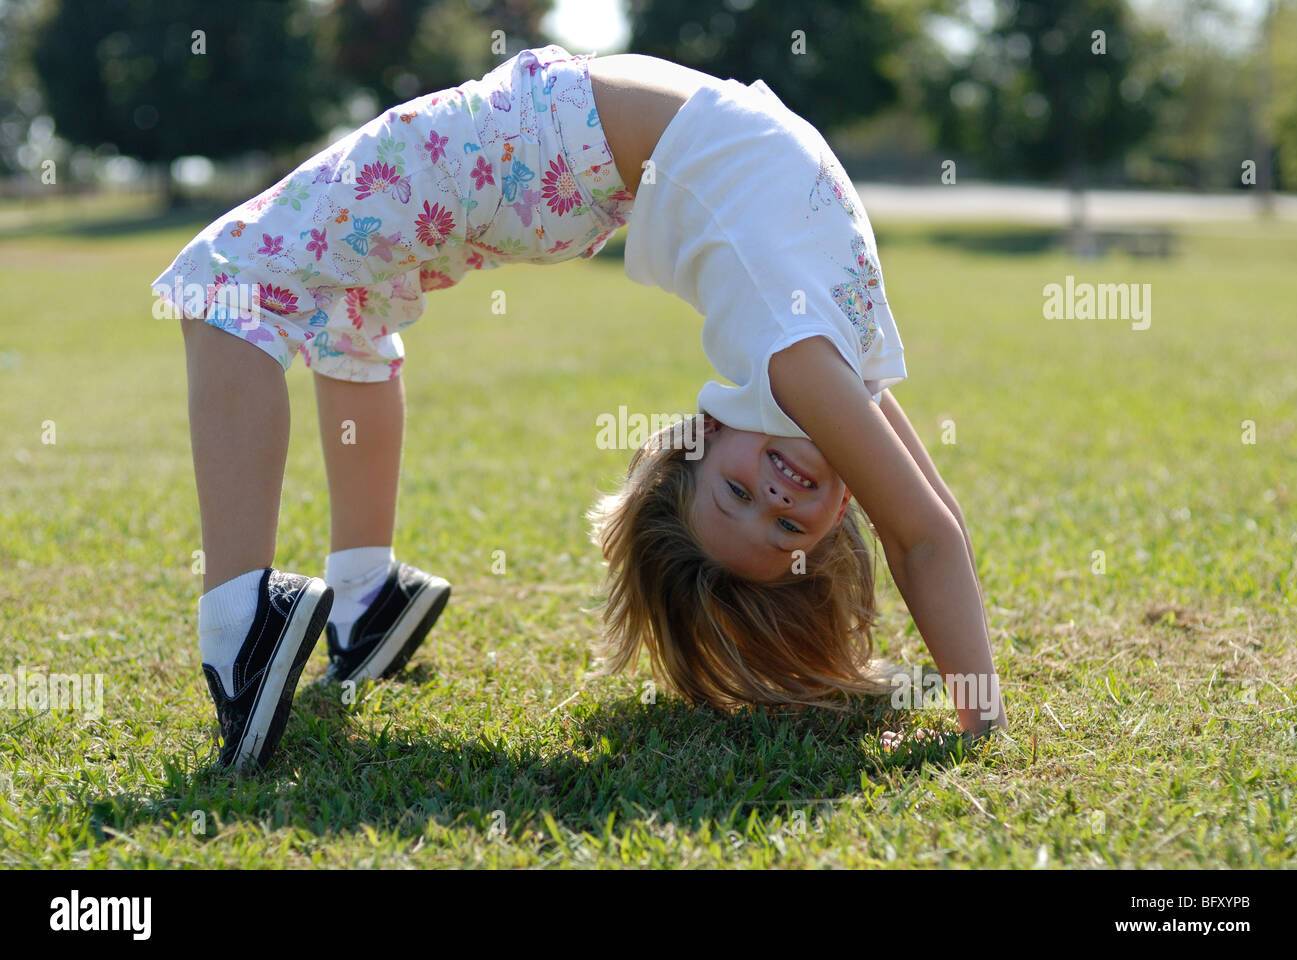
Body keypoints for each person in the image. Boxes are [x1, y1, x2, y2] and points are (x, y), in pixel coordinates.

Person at [151, 43, 1004, 772]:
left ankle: (242, 624)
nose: (776, 500)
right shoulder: (829, 381)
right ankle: (366, 597)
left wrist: (976, 717)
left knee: (227, 283)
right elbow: (932, 526)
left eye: (744, 503)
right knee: (349, 305)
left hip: (537, 145)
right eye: (782, 525)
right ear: (841, 506)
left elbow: (920, 534)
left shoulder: (799, 370)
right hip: (557, 157)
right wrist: (979, 713)